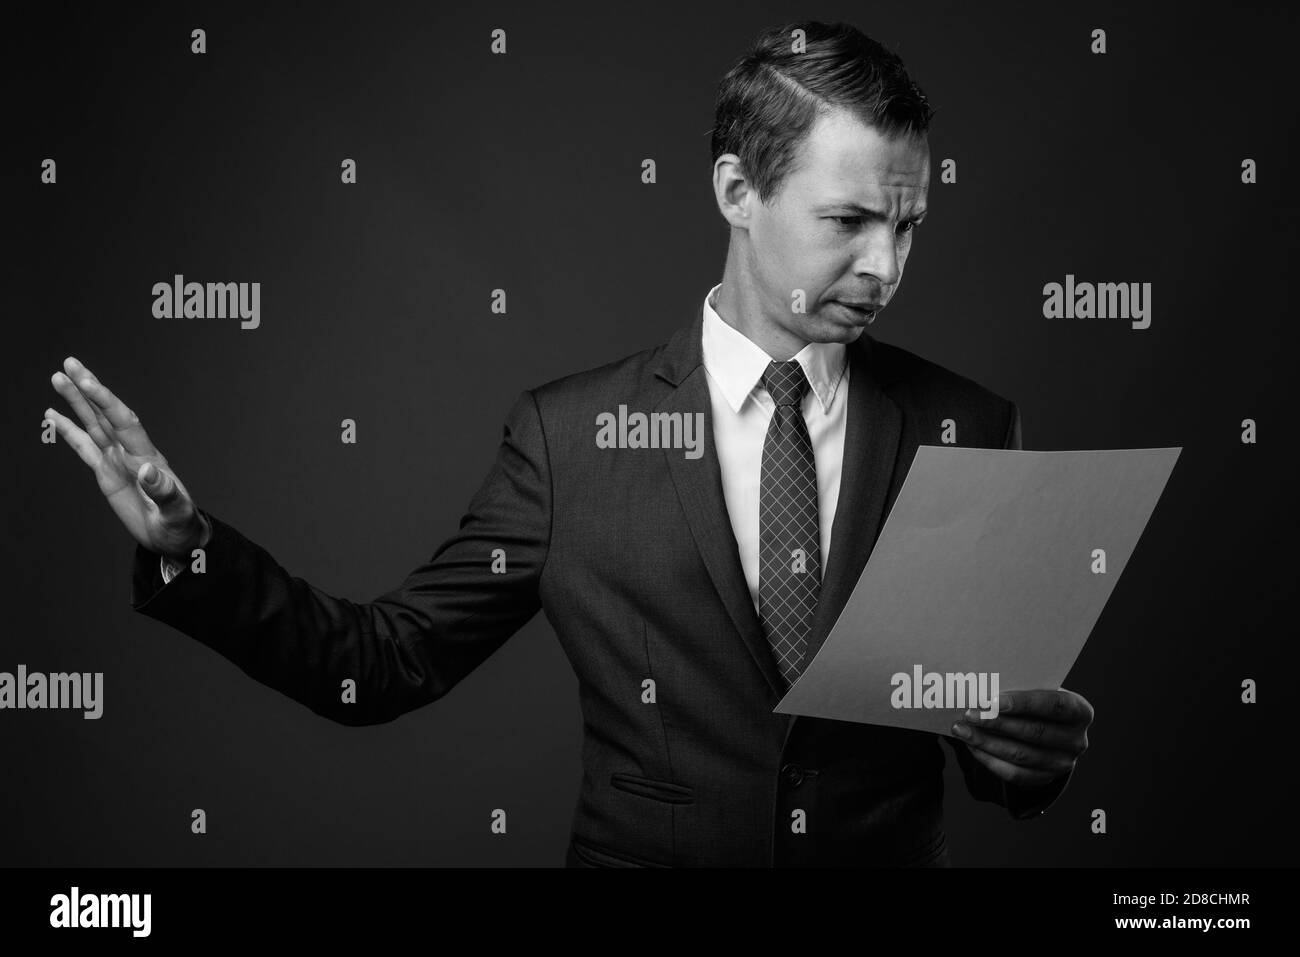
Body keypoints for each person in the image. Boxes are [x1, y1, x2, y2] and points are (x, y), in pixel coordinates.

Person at [43, 20, 1091, 867]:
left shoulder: (967, 428)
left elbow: (989, 751)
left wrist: (1030, 755)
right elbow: (381, 664)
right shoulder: (568, 438)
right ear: (736, 192)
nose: (884, 265)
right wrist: (189, 548)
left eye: (906, 226)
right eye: (850, 220)